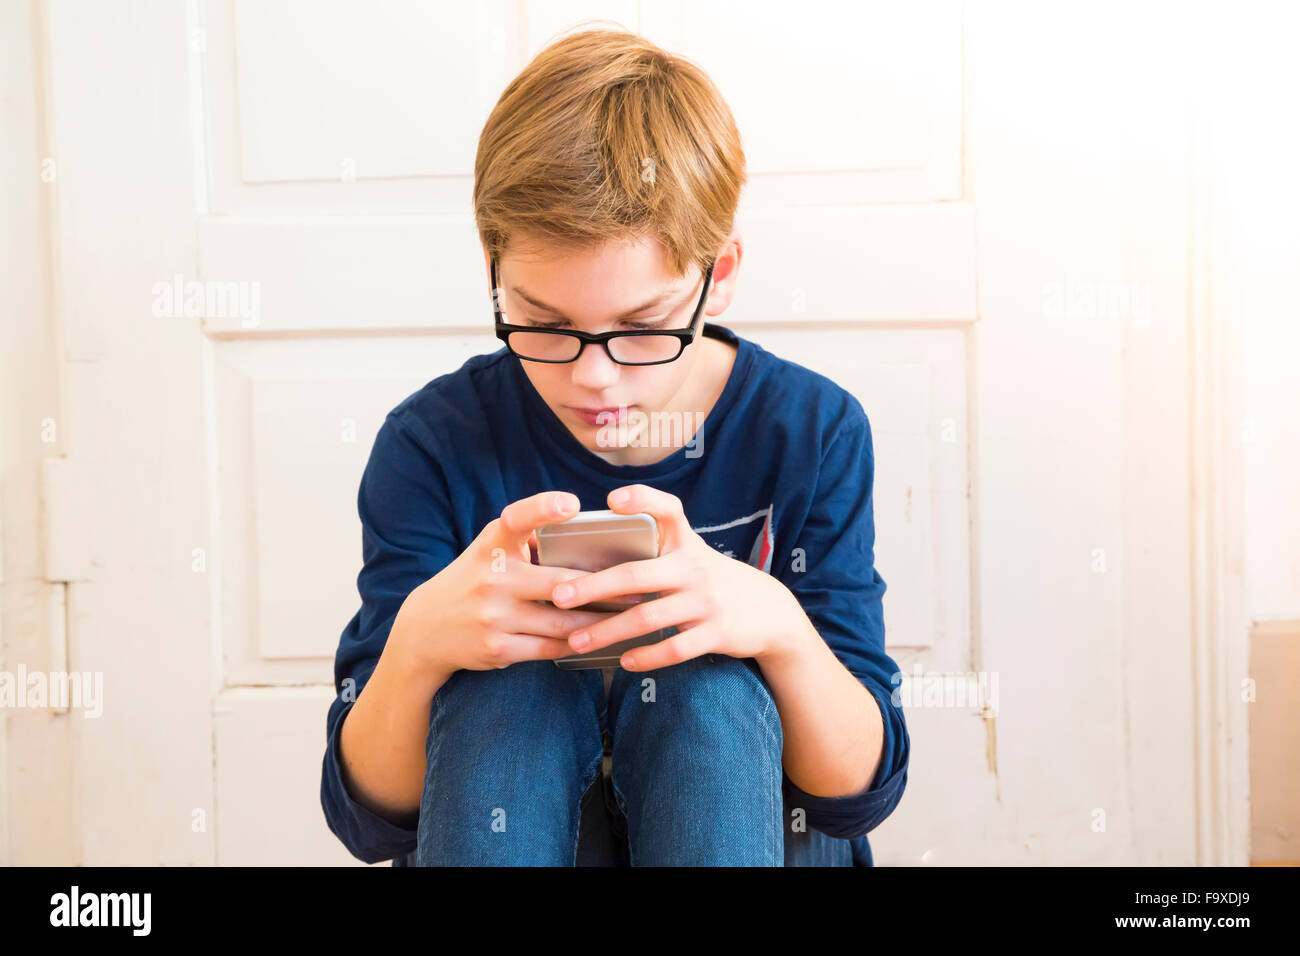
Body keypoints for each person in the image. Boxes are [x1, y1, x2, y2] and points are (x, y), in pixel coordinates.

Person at [320, 26, 909, 866]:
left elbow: (856, 795)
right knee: (502, 696)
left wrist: (775, 627)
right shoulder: (431, 443)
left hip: (753, 827)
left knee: (709, 686)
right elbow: (370, 821)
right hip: (506, 812)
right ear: (493, 269)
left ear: (721, 273)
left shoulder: (811, 430)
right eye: (547, 324)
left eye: (641, 327)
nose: (596, 379)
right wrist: (419, 644)